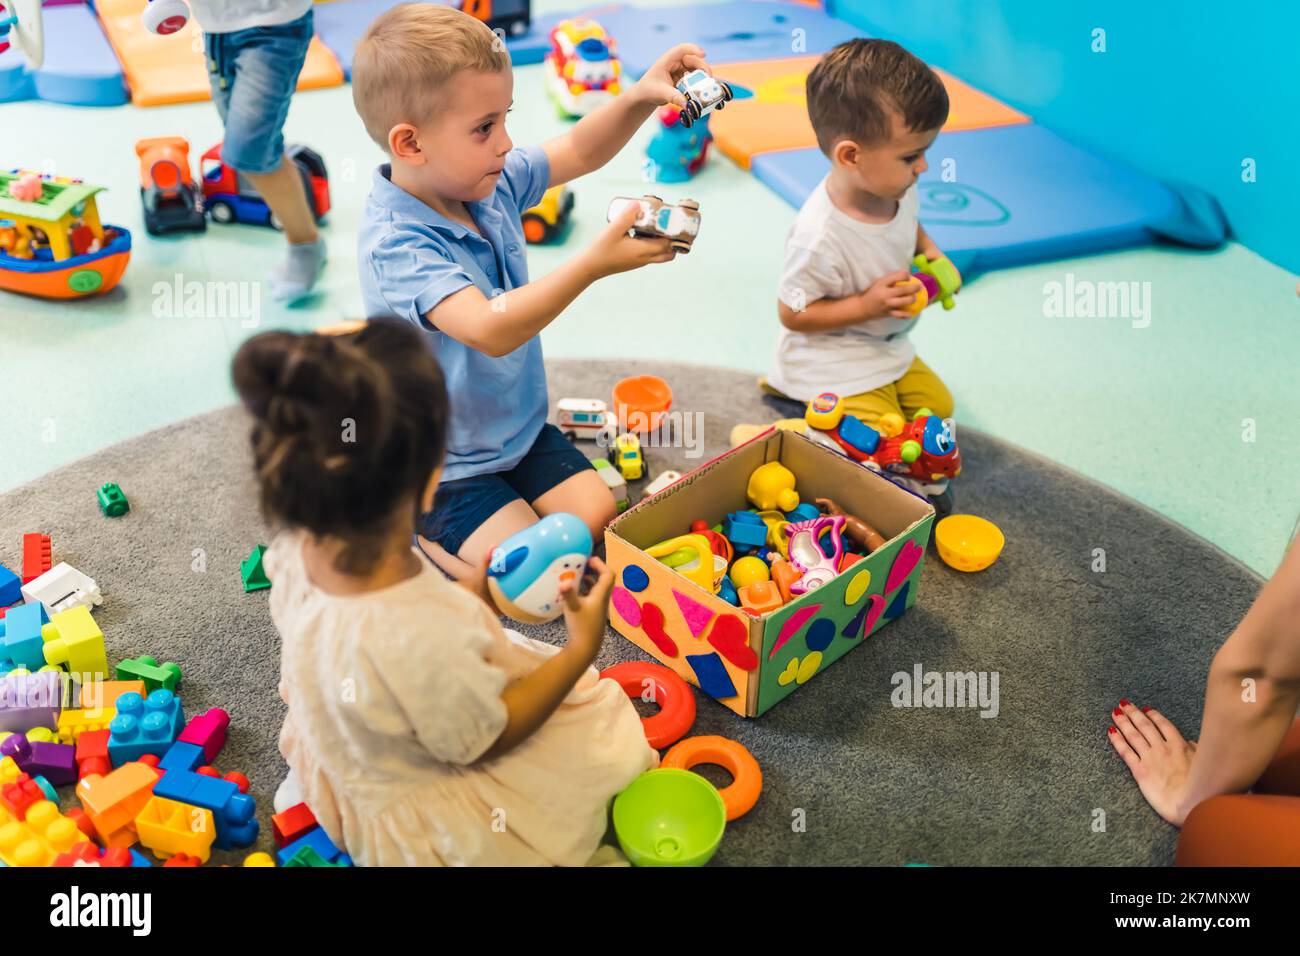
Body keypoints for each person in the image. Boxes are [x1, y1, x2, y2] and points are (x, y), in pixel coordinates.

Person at [232, 318, 656, 865]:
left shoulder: (293, 548)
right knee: (605, 743)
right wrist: (580, 648)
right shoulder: (426, 631)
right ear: (432, 478)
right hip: (433, 802)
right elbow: (487, 738)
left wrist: (475, 590)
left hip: (347, 745)